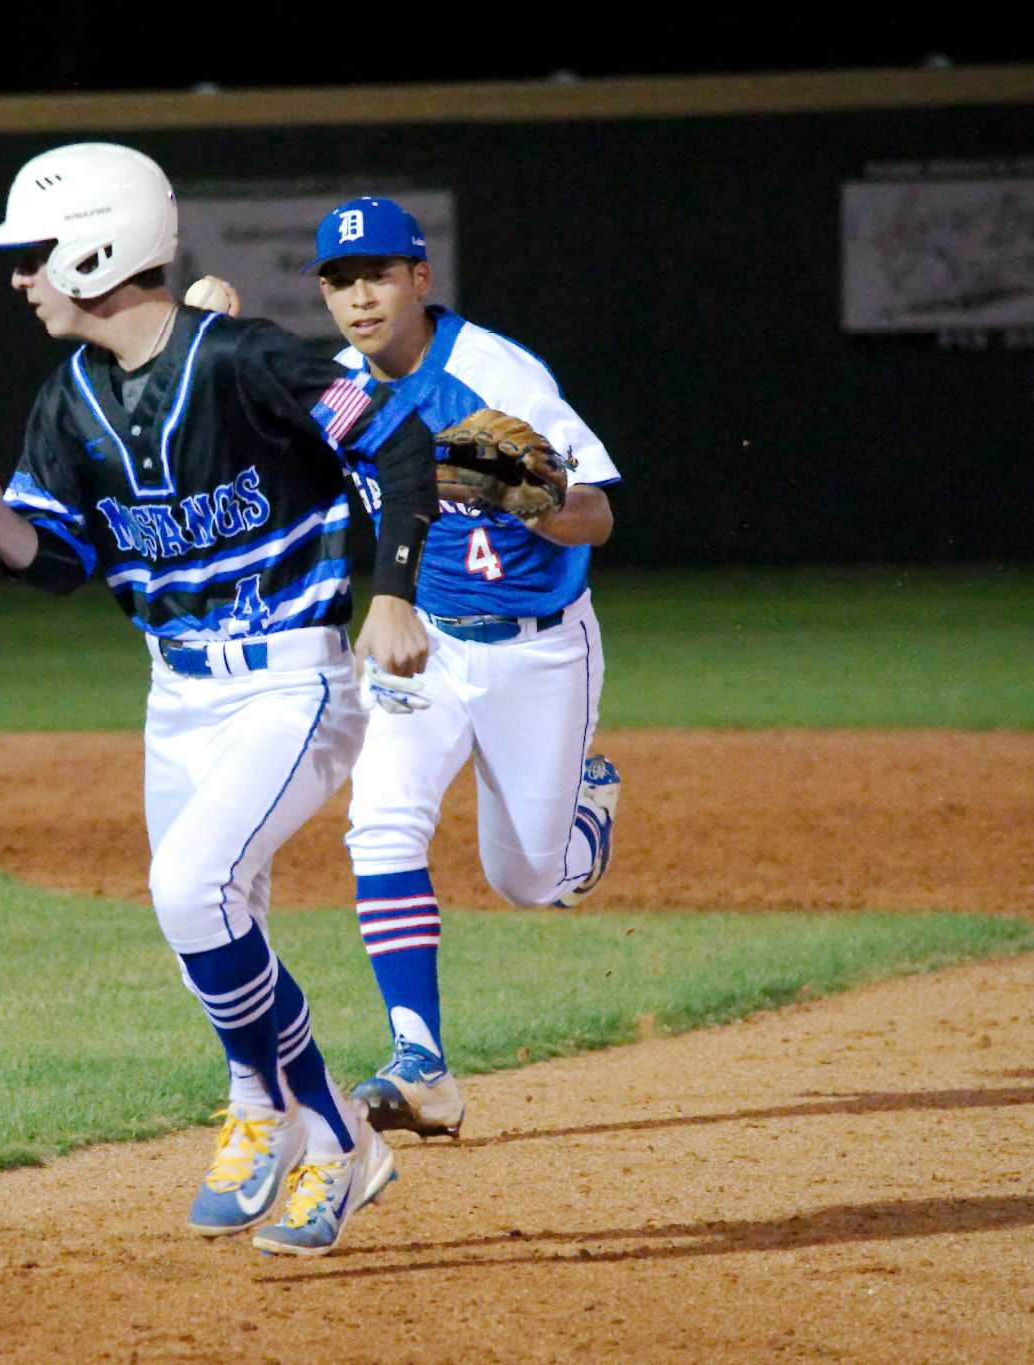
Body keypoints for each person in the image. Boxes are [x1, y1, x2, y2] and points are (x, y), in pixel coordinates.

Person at [0, 144, 445, 1255]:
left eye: (32, 258)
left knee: (187, 887)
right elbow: (60, 557)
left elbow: (400, 447)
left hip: (292, 680)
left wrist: (392, 593)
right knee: (207, 919)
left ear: (94, 248)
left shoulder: (247, 360)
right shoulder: (67, 399)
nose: (19, 280)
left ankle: (335, 1139)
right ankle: (262, 1109)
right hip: (178, 694)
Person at [309, 197, 624, 1136]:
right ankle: (421, 1065)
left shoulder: (496, 375)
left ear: (419, 279)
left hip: (538, 645)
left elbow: (599, 517)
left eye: (375, 275)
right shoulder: (338, 389)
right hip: (422, 642)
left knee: (528, 879)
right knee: (380, 826)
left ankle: (586, 801)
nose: (358, 297)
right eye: (337, 281)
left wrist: (532, 496)